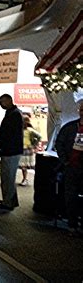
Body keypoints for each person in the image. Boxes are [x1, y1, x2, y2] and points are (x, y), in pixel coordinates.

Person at [55, 100, 83, 236]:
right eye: (82, 109)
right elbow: (59, 143)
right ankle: (72, 224)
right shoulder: (70, 127)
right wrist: (65, 160)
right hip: (71, 168)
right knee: (70, 197)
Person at [0, 94, 23, 211]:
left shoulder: (14, 114)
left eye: (2, 102)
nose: (0, 104)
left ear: (9, 101)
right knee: (8, 178)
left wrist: (2, 148)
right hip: (11, 150)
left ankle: (8, 202)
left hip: (10, 151)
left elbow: (9, 134)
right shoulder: (14, 113)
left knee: (8, 178)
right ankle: (10, 200)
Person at [19, 116, 42, 186]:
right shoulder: (20, 130)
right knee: (23, 166)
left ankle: (26, 179)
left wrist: (34, 145)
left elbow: (39, 136)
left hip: (28, 149)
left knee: (25, 166)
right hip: (22, 149)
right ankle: (24, 179)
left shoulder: (30, 130)